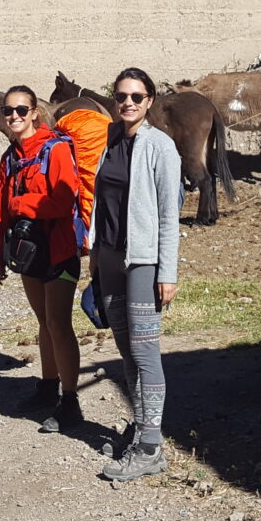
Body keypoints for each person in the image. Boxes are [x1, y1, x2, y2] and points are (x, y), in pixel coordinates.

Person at [90, 67, 183, 482]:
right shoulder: (110, 141)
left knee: (146, 354)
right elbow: (100, 201)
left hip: (142, 262)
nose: (128, 102)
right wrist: (94, 255)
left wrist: (168, 272)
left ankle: (150, 446)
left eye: (136, 96)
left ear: (149, 102)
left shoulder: (160, 147)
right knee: (126, 350)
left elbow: (168, 215)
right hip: (108, 258)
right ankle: (143, 431)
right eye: (121, 96)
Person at [0, 85, 88, 432]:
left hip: (59, 250)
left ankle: (71, 401)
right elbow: (2, 211)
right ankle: (48, 388)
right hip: (27, 251)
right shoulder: (10, 157)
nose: (14, 116)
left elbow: (62, 202)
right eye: (8, 111)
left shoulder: (56, 150)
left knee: (59, 324)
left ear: (34, 112)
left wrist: (23, 204)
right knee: (44, 323)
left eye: (21, 110)